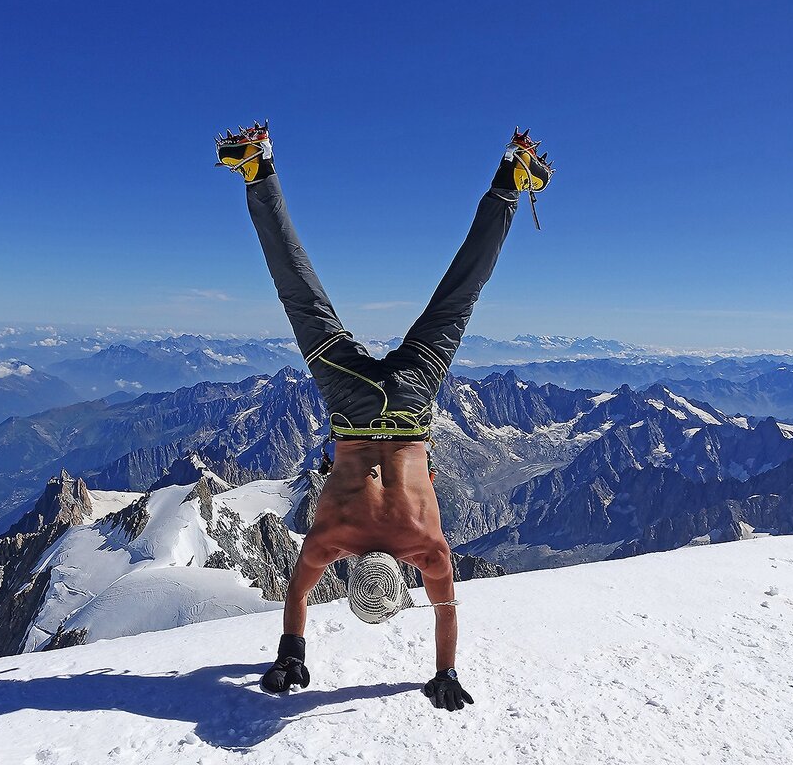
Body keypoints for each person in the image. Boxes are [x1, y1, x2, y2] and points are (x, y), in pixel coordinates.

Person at [215, 121, 552, 711]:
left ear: (401, 583)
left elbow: (446, 611)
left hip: (411, 405)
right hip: (348, 404)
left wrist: (444, 671)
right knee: (301, 295)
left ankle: (510, 177)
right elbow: (295, 598)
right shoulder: (331, 541)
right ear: (350, 579)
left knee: (458, 295)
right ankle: (257, 168)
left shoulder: (425, 548)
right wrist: (290, 651)